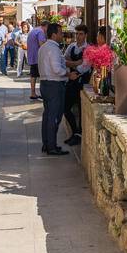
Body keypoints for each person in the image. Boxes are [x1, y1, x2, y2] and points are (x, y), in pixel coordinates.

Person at [36, 23, 69, 155]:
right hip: (54, 85)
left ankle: (47, 143)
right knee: (54, 117)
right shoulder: (53, 49)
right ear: (54, 34)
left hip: (45, 83)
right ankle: (51, 147)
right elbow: (56, 69)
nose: (62, 36)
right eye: (61, 33)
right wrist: (68, 74)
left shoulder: (43, 47)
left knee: (48, 116)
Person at [62, 25, 89, 146]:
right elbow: (63, 61)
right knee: (65, 108)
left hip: (82, 82)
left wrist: (71, 64)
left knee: (81, 109)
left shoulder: (88, 49)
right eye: (77, 34)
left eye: (81, 34)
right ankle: (75, 132)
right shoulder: (71, 46)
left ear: (85, 35)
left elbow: (83, 67)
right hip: (71, 82)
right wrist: (75, 63)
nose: (78, 36)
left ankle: (78, 134)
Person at [25, 18, 47, 101]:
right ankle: (41, 93)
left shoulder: (34, 30)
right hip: (38, 57)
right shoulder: (41, 32)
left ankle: (33, 93)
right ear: (45, 26)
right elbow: (42, 44)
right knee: (42, 76)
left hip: (32, 56)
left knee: (33, 75)